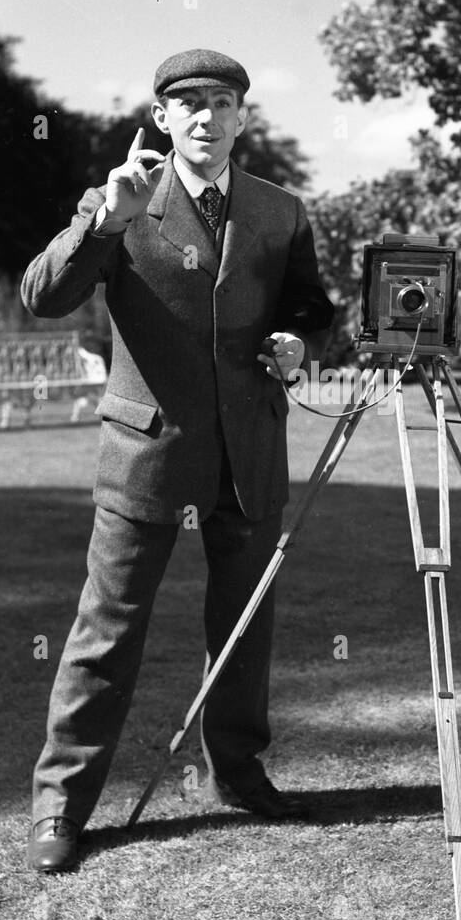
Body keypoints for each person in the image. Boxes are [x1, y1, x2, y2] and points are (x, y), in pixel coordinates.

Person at [22, 49, 334, 873]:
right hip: (147, 455)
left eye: (221, 101)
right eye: (186, 102)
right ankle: (62, 806)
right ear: (161, 118)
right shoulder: (120, 199)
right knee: (106, 633)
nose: (205, 115)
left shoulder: (280, 209)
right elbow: (42, 294)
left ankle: (236, 771)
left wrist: (301, 339)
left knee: (244, 629)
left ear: (241, 117)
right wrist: (108, 220)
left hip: (251, 454)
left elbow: (313, 304)